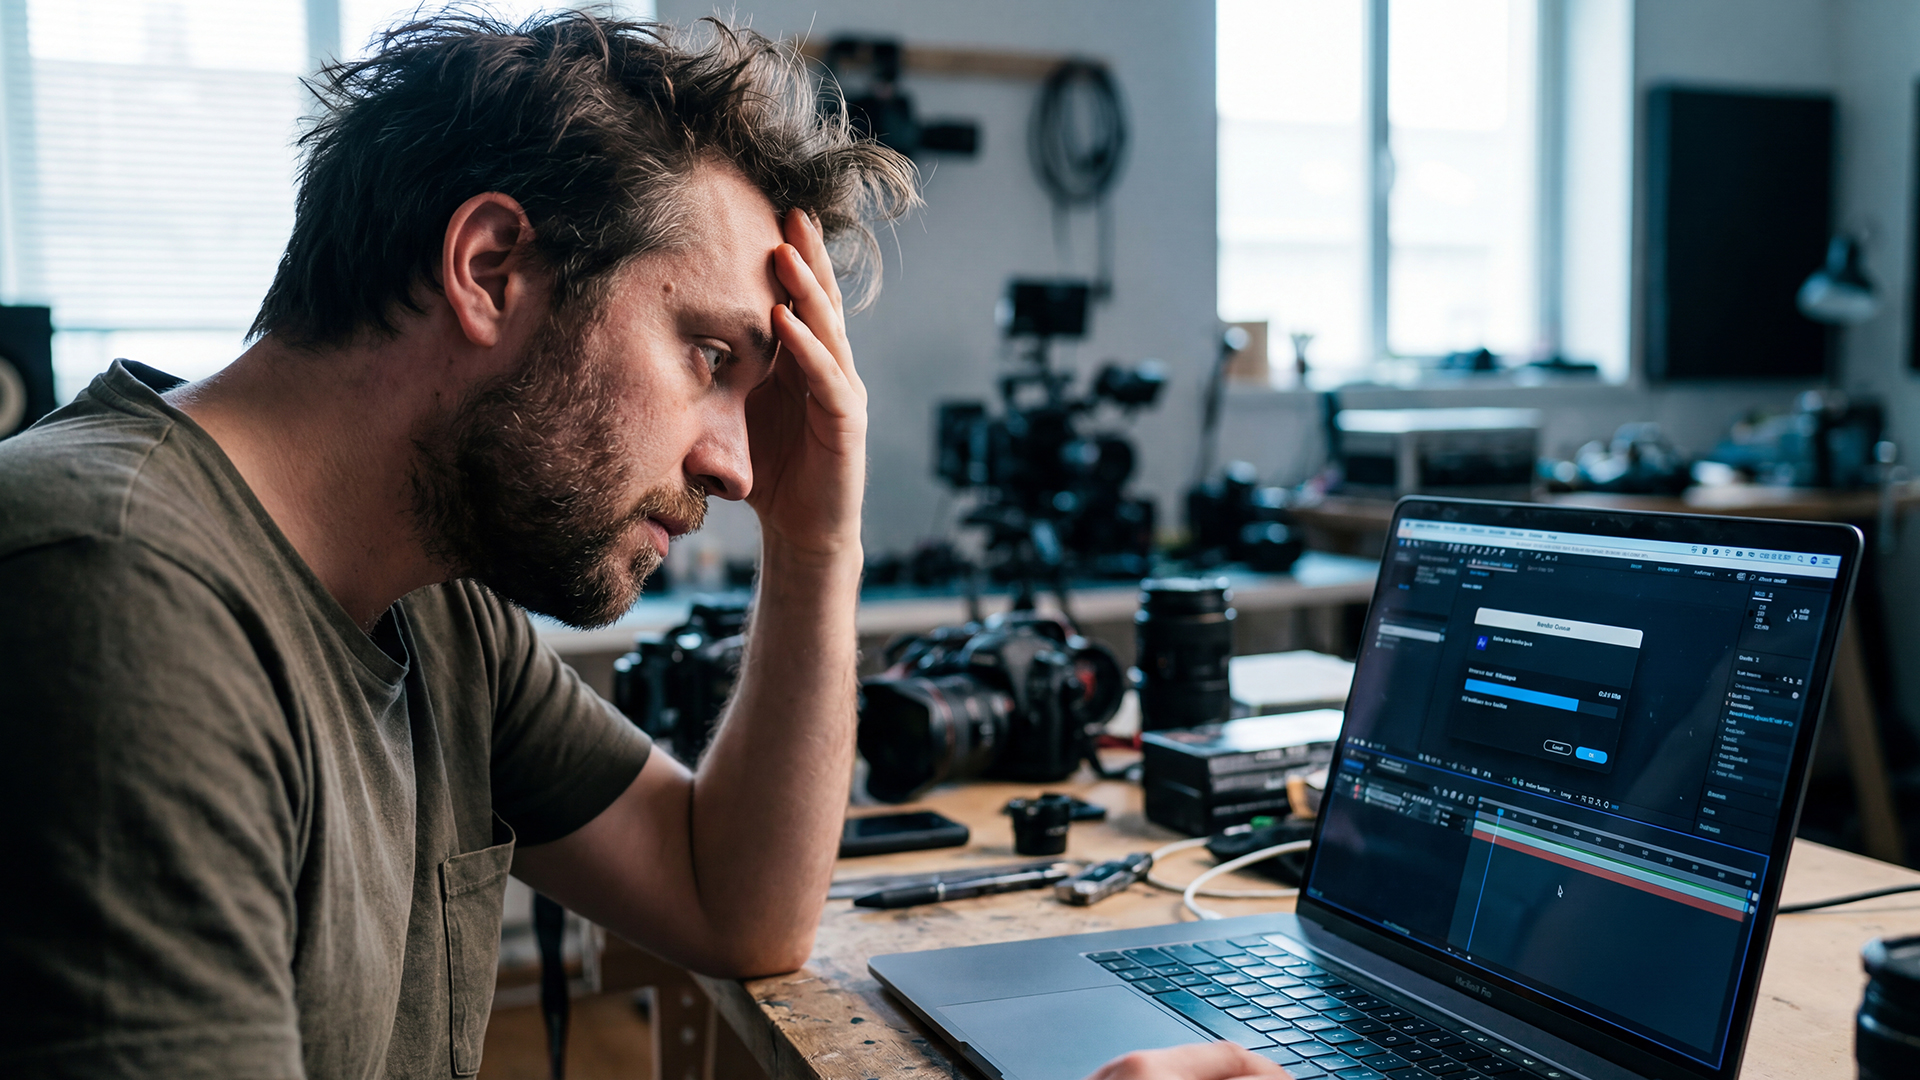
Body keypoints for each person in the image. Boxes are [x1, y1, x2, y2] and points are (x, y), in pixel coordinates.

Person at [0, 9, 1293, 1080]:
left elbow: (735, 905)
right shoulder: (111, 590)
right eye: (708, 357)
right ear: (493, 265)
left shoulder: (426, 596)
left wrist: (815, 539)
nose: (735, 465)